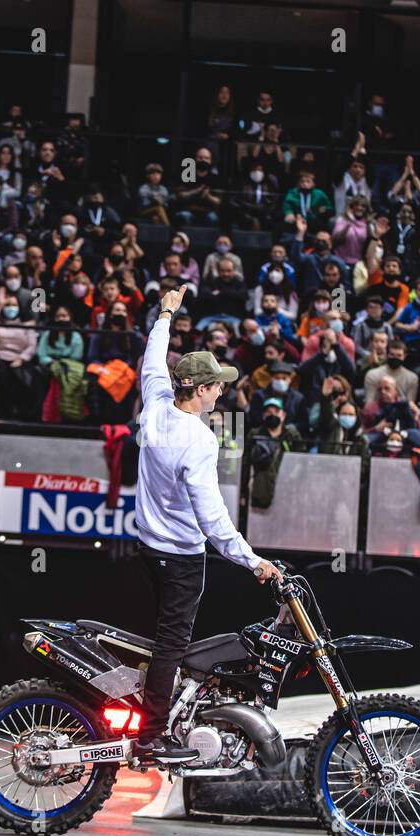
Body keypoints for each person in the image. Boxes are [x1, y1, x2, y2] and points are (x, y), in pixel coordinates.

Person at [134, 285, 281, 762]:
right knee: (170, 645)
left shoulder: (154, 405)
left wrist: (165, 314)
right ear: (199, 390)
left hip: (148, 548)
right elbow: (213, 518)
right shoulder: (198, 441)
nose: (223, 389)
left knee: (162, 639)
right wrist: (251, 561)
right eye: (218, 384)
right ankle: (152, 737)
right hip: (180, 558)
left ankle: (162, 707)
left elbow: (153, 360)